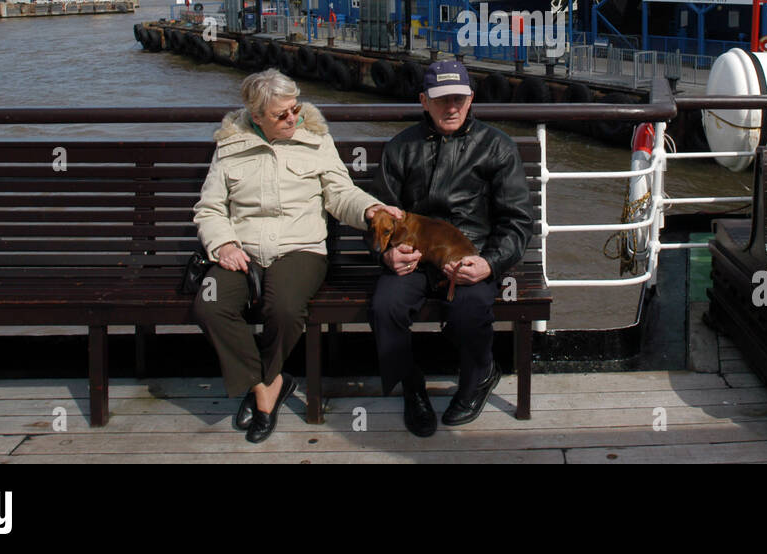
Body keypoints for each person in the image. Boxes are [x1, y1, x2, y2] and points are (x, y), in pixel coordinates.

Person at [193, 68, 401, 443]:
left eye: (295, 108)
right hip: (243, 250)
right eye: (281, 114)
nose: (293, 118)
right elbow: (209, 208)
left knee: (285, 309)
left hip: (301, 247)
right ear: (256, 117)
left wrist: (370, 209)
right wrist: (223, 244)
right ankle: (267, 386)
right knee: (209, 305)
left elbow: (340, 193)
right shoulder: (230, 145)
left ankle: (262, 391)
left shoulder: (316, 140)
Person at [369, 60, 533, 437]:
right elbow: (377, 216)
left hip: (469, 255)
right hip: (412, 260)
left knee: (469, 308)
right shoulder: (400, 148)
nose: (452, 107)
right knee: (385, 306)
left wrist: (488, 263)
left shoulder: (497, 146)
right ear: (424, 101)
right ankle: (411, 385)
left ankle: (479, 376)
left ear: (471, 98)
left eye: (459, 98)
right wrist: (386, 254)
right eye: (442, 99)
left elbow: (517, 221)